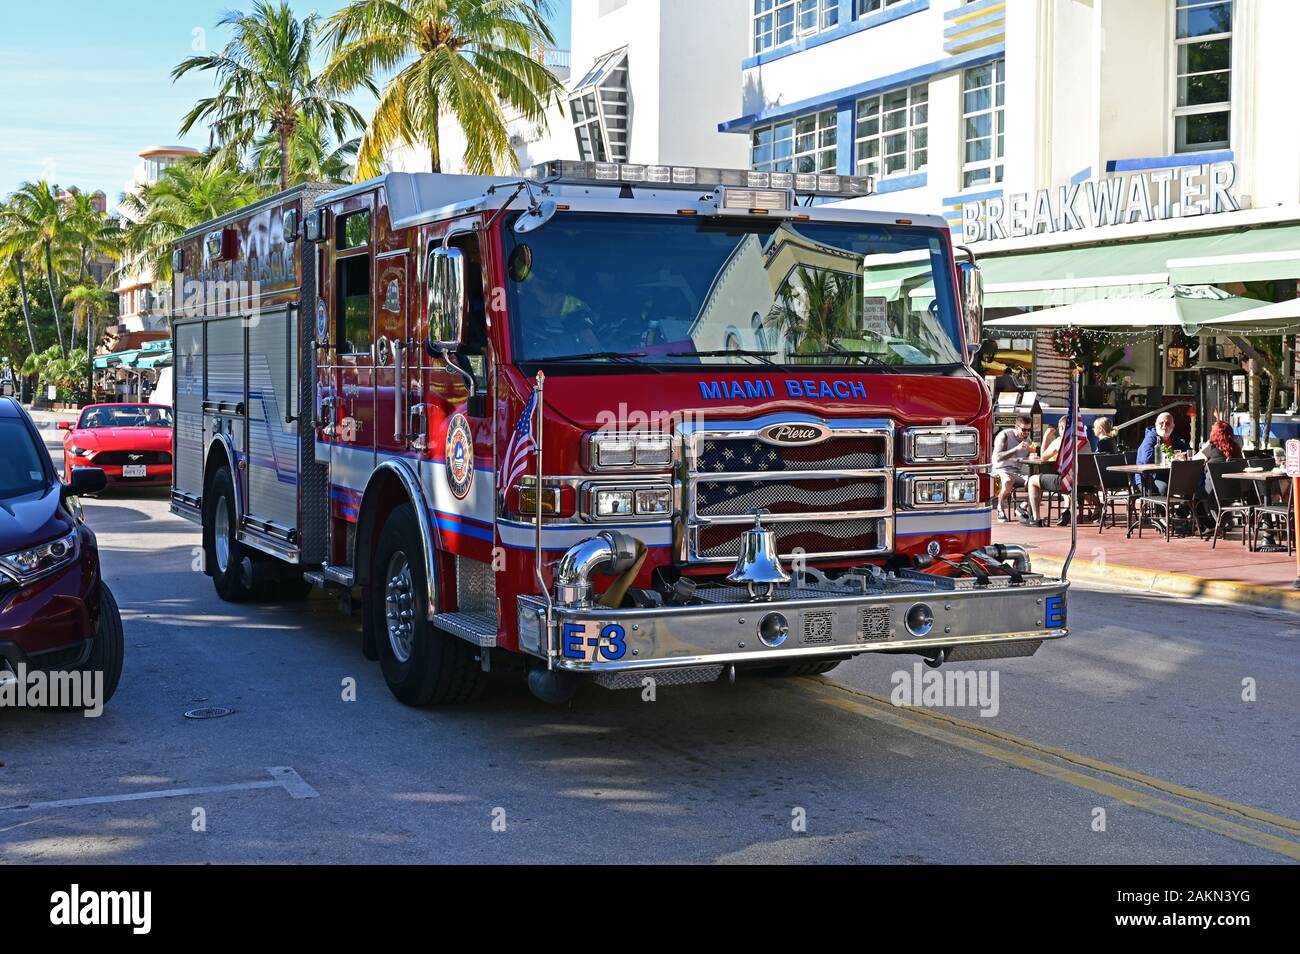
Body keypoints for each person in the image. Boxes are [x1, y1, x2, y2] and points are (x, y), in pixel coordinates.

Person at [1025, 417, 1070, 527]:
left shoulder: (1059, 441)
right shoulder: (1085, 441)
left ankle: (1036, 519)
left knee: (1032, 480)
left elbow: (1043, 457)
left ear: (1062, 427)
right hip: (1085, 482)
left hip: (1065, 481)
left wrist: (1046, 436)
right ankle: (1066, 509)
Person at [1135, 411, 1189, 495]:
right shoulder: (1151, 438)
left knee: (1189, 484)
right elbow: (1148, 459)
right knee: (1164, 488)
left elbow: (1187, 451)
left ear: (1173, 426)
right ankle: (1162, 508)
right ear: (1156, 424)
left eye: (1167, 424)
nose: (1164, 426)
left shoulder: (1173, 438)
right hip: (1148, 478)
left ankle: (1185, 508)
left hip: (1167, 475)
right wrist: (1173, 457)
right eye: (1161, 423)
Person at [992, 415, 1034, 522]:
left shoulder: (1029, 441)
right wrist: (1016, 449)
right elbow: (998, 457)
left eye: (1029, 430)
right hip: (1000, 469)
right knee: (1008, 481)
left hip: (1016, 471)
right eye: (1024, 430)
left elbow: (1031, 458)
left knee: (1036, 482)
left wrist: (1033, 455)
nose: (1026, 433)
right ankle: (1000, 509)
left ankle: (1022, 507)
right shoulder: (1005, 435)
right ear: (1016, 427)